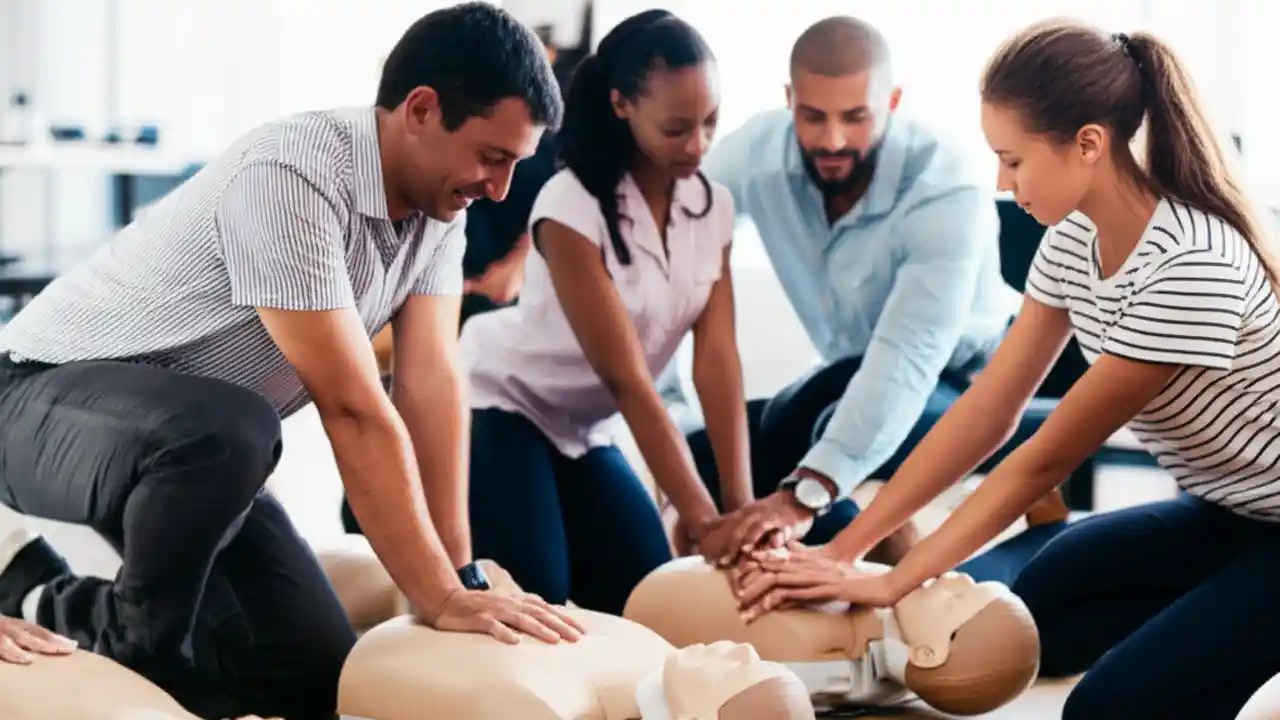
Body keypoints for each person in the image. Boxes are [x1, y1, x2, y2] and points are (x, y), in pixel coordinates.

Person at [0, 4, 584, 719]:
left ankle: (30, 587)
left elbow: (430, 384)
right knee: (231, 431)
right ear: (422, 109)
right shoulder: (296, 172)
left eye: (514, 166)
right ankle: (120, 633)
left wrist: (458, 578)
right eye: (492, 158)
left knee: (307, 671)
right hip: (34, 402)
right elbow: (354, 407)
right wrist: (436, 593)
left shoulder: (439, 215)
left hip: (190, 446)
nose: (498, 190)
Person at [736, 20, 1280, 720]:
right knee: (1032, 611)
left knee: (1106, 709)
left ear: (1089, 143)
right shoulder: (1073, 240)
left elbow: (1040, 462)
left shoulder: (1191, 267)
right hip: (1236, 513)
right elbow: (988, 412)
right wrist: (847, 550)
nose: (1001, 181)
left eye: (1014, 160)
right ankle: (1224, 618)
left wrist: (894, 580)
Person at [681, 15, 1066, 565]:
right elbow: (671, 219)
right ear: (789, 100)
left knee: (814, 434)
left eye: (855, 117)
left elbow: (907, 357)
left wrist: (805, 495)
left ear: (891, 102)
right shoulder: (757, 152)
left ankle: (889, 583)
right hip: (847, 374)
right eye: (812, 117)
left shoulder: (944, 182)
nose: (832, 140)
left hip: (962, 379)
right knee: (725, 445)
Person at [459, 9, 753, 616]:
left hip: (586, 427)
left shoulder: (714, 207)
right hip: (503, 402)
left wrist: (740, 512)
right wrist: (701, 521)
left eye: (710, 123)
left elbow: (717, 361)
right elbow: (627, 379)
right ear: (623, 106)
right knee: (542, 587)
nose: (697, 146)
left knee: (644, 593)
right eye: (676, 129)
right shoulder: (569, 205)